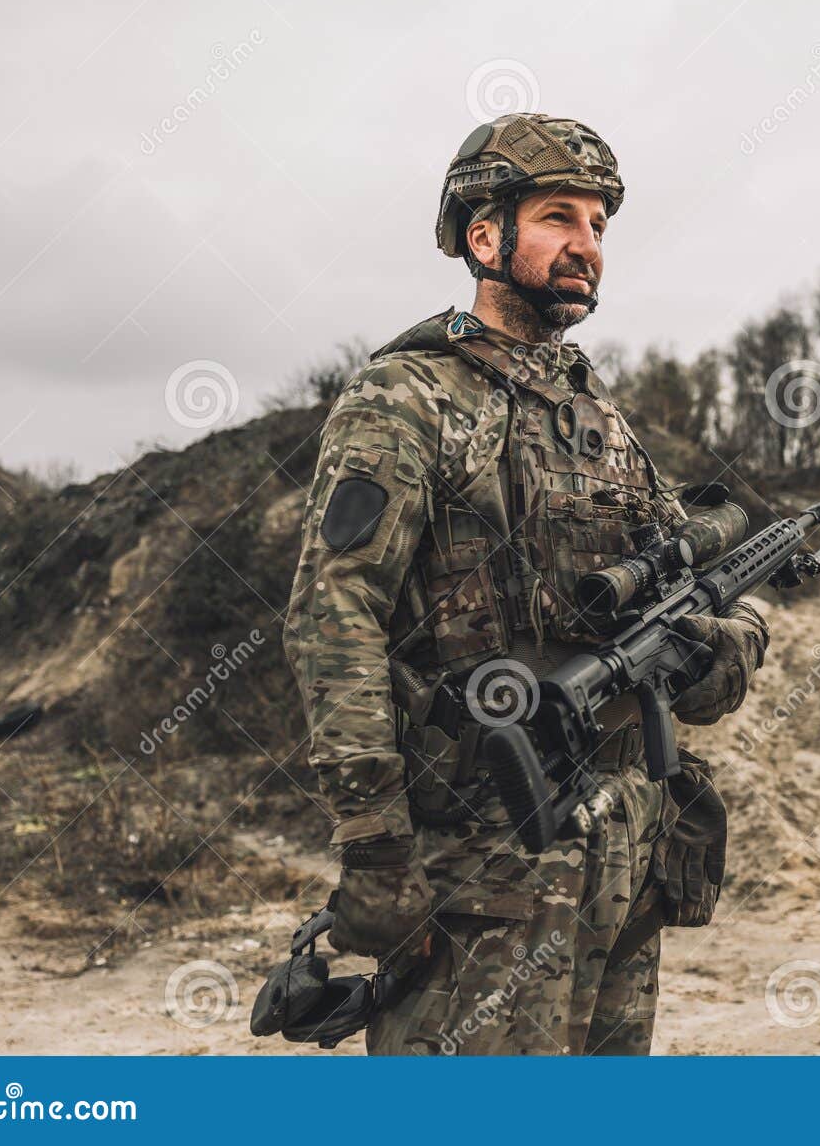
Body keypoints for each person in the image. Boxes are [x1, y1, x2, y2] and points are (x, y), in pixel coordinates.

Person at [282, 113, 768, 1055]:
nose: (587, 245)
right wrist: (373, 846)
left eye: (598, 225)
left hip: (622, 841)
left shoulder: (599, 420)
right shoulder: (408, 398)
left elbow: (691, 576)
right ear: (484, 235)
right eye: (558, 218)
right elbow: (331, 618)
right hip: (484, 856)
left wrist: (726, 646)